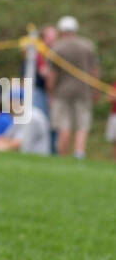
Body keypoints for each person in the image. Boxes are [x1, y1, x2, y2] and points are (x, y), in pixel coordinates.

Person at [48, 15, 99, 159]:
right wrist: (95, 90)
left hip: (62, 92)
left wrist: (50, 93)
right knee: (82, 125)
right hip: (84, 92)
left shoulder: (57, 47)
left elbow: (52, 75)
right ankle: (79, 153)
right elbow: (94, 71)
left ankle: (63, 156)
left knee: (64, 125)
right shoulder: (87, 45)